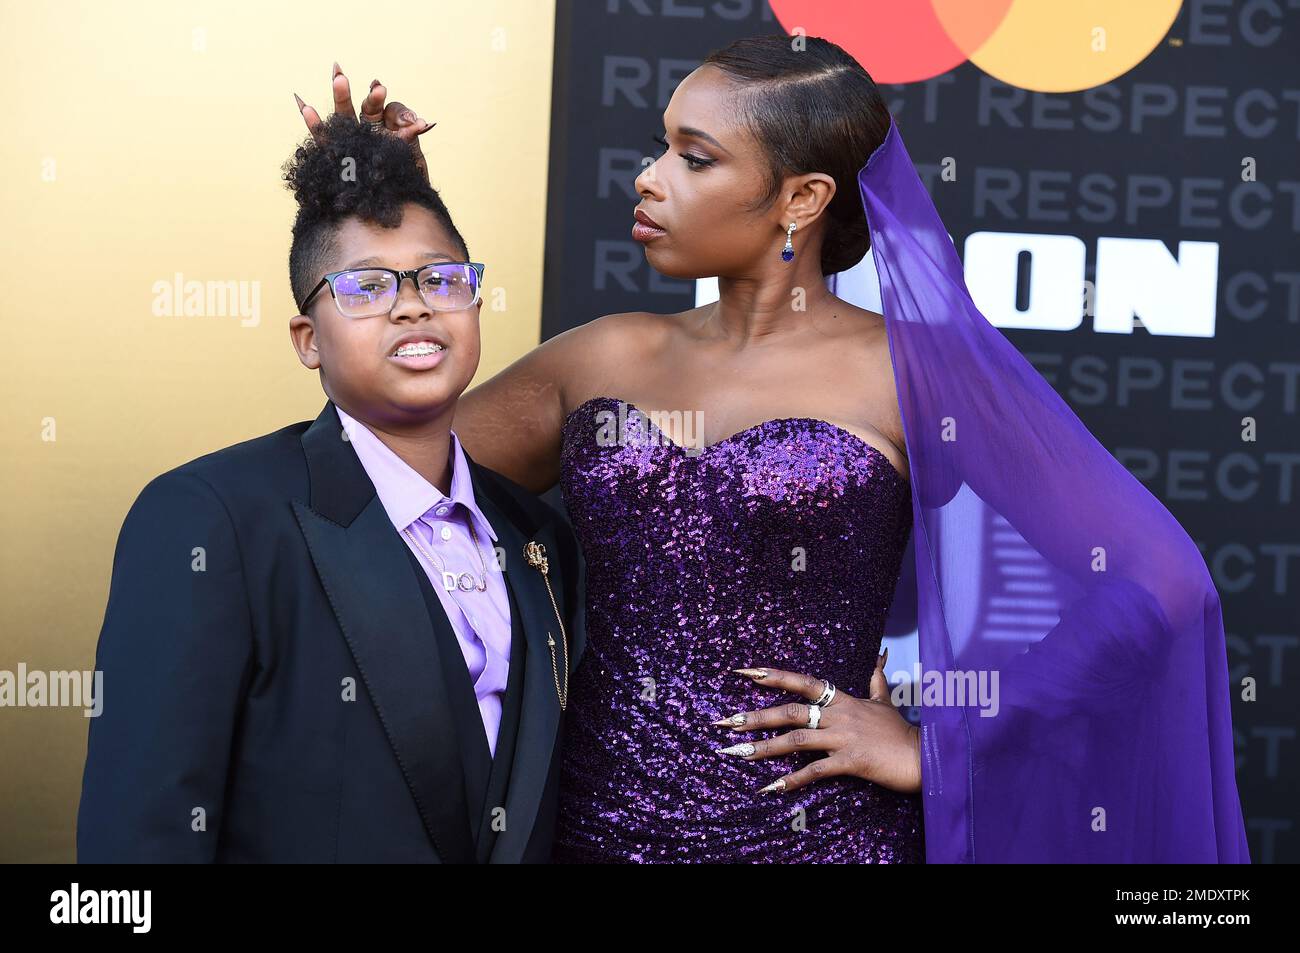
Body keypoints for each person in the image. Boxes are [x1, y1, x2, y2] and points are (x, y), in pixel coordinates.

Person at [300, 32, 1248, 863]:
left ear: (802, 197)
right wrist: (390, 212)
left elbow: (1161, 581)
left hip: (825, 838)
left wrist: (942, 743)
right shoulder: (599, 356)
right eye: (660, 146)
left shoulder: (913, 374)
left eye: (694, 158)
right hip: (593, 830)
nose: (649, 176)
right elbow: (381, 466)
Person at [77, 113, 585, 863]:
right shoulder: (211, 519)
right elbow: (141, 833)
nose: (413, 304)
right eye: (367, 287)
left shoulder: (538, 536)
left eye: (441, 279)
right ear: (308, 339)